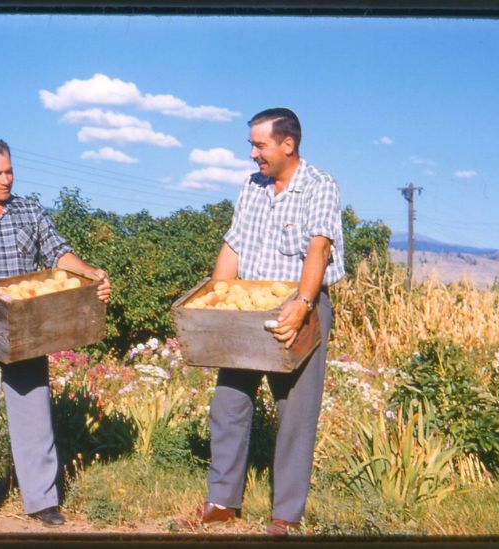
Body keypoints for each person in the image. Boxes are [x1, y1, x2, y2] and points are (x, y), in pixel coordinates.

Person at [0, 139, 111, 528]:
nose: (6, 179)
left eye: (9, 170)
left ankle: (42, 500)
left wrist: (91, 274)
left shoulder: (29, 210)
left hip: (27, 323)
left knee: (33, 409)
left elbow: (59, 254)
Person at [186, 108, 345, 535]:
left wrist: (302, 303)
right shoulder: (251, 186)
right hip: (245, 309)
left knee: (295, 411)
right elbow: (233, 246)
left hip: (300, 307)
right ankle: (222, 502)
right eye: (252, 144)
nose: (253, 153)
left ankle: (285, 515)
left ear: (287, 145)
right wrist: (215, 303)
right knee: (229, 402)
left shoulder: (320, 185)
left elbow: (319, 250)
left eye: (260, 145)